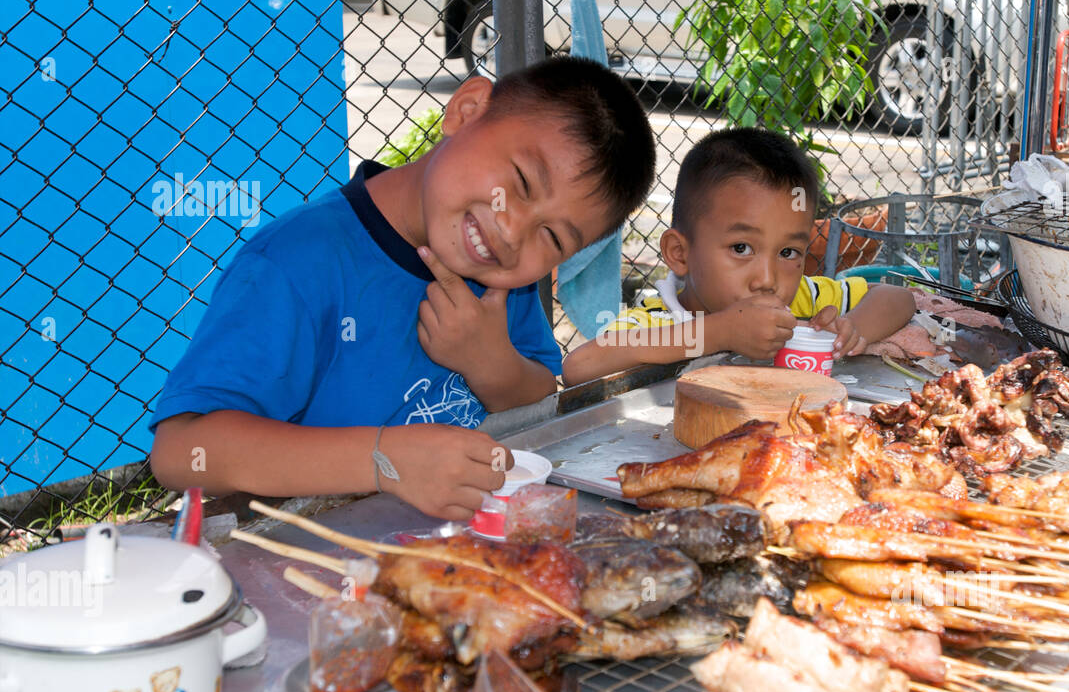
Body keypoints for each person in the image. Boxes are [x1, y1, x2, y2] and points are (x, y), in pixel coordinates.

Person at [150, 57, 655, 520]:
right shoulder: (297, 263)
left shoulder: (506, 287)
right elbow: (180, 453)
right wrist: (383, 459)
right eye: (521, 182)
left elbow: (539, 389)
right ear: (467, 110)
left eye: (551, 236)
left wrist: (489, 363)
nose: (512, 231)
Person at [562, 128, 914, 385]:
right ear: (679, 253)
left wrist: (846, 334)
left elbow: (897, 298)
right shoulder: (655, 323)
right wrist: (718, 333)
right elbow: (580, 365)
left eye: (788, 252)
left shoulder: (803, 301)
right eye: (741, 248)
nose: (767, 279)